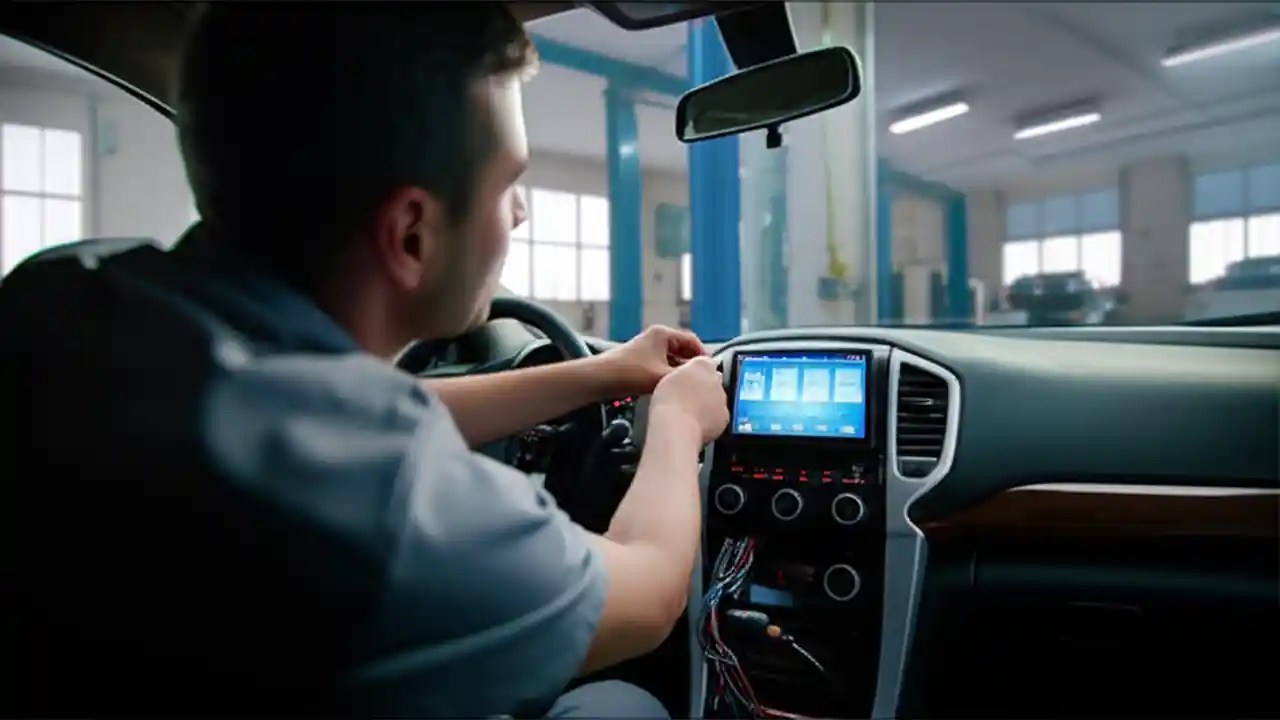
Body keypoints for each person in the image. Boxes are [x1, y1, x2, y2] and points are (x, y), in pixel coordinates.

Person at [0, 4, 729, 718]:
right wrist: (677, 421)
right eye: (508, 181)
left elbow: (334, 421)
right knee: (623, 702)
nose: (519, 213)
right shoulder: (386, 508)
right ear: (411, 234)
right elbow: (649, 596)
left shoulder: (60, 300)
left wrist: (600, 373)